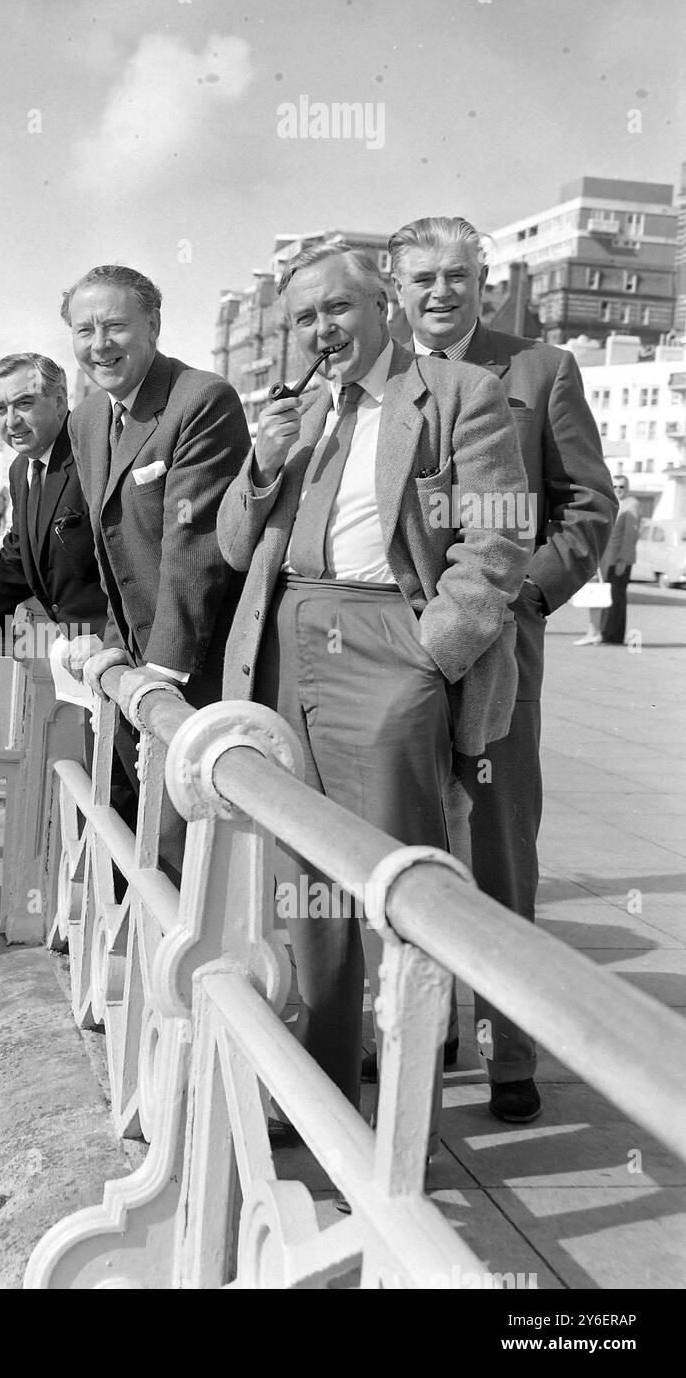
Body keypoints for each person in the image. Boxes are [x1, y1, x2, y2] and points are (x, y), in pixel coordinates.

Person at [217, 241, 529, 1120]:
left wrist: (435, 649)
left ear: (383, 303)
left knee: (395, 889)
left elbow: (499, 537)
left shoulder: (459, 394)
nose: (322, 330)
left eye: (337, 309)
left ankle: (402, 1125)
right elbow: (238, 549)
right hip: (285, 640)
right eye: (305, 318)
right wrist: (263, 463)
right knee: (303, 883)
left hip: (390, 637)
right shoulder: (301, 411)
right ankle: (318, 1100)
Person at [388, 215, 616, 1123]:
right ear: (394, 289)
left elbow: (588, 503)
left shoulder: (538, 369)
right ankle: (418, 1030)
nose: (441, 294)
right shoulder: (378, 379)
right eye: (422, 280)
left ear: (485, 281)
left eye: (458, 276)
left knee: (499, 840)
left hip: (497, 644)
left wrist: (527, 594)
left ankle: (512, 1049)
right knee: (400, 830)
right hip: (389, 643)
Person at [62, 264, 251, 882]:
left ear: (154, 325)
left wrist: (162, 669)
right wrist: (111, 647)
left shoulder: (201, 399)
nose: (100, 345)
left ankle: (193, 974)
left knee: (188, 832)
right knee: (138, 829)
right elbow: (104, 544)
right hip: (130, 657)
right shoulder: (89, 416)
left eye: (116, 326)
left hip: (193, 655)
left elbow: (193, 543)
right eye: (84, 329)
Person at [0, 353, 107, 650]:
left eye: (24, 403)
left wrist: (111, 641)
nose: (11, 422)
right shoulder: (21, 468)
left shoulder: (94, 455)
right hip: (71, 644)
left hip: (113, 647)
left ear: (60, 402)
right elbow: (19, 550)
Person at [575, 475, 639, 648]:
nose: (619, 489)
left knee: (616, 597)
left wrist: (623, 560)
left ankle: (613, 635)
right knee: (608, 597)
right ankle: (603, 633)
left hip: (619, 560)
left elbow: (630, 535)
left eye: (622, 487)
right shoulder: (615, 504)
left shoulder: (631, 504)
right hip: (607, 559)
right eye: (616, 486)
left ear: (628, 488)